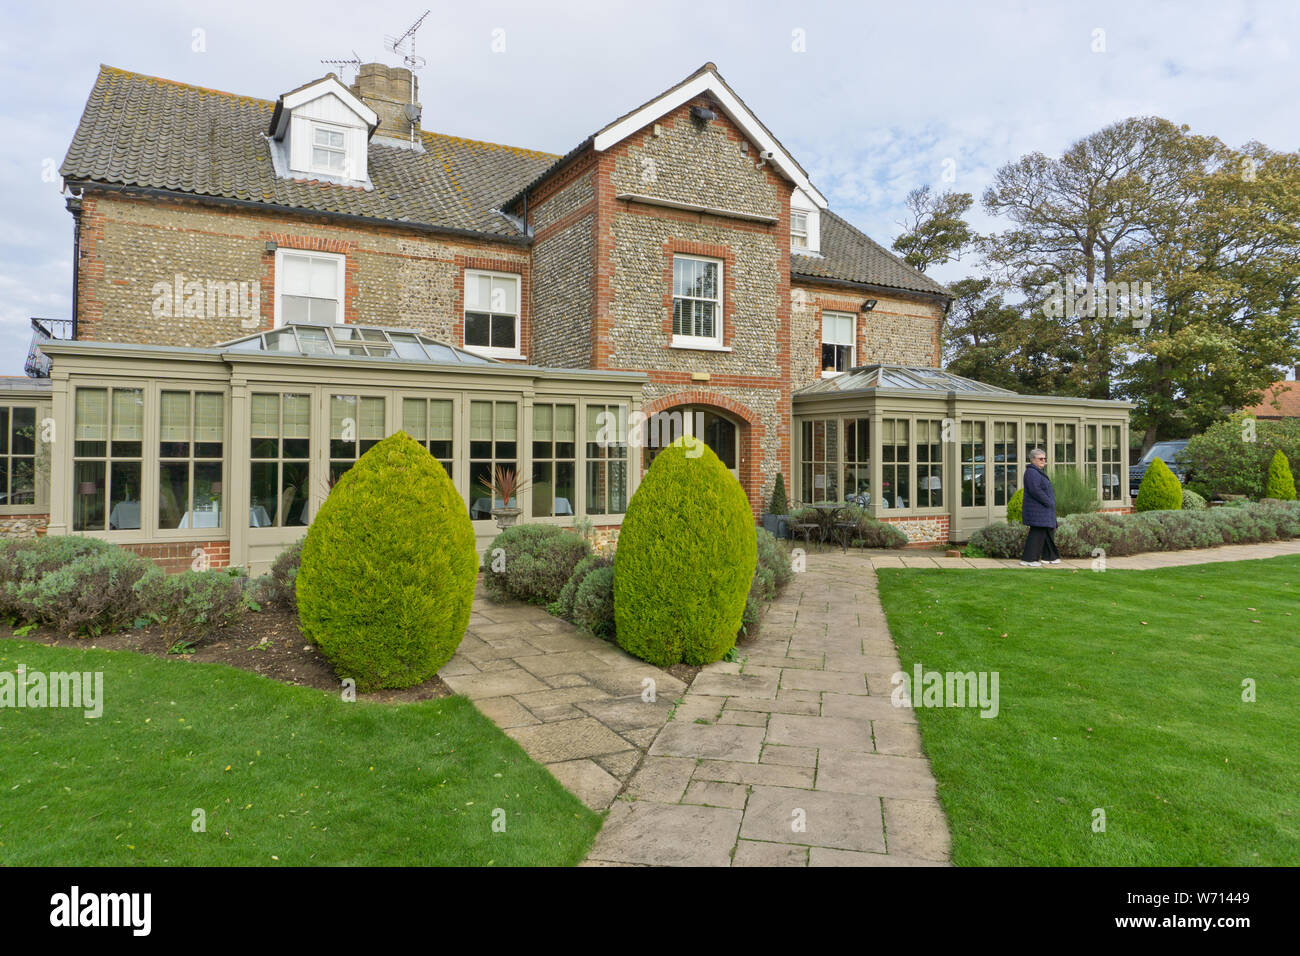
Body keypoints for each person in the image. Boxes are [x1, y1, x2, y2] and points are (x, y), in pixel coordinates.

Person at [1020, 448, 1060, 567]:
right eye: (1040, 458)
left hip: (1042, 509)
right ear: (1032, 459)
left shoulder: (1036, 471)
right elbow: (1035, 490)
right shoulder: (1032, 472)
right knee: (1037, 533)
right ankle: (1028, 559)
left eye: (1044, 458)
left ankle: (1049, 557)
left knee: (1047, 531)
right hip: (1038, 509)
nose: (1043, 461)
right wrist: (1048, 502)